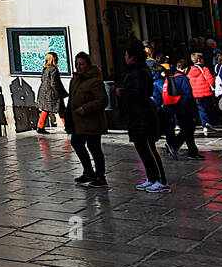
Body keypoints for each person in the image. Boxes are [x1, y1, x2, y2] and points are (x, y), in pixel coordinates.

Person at [116, 41, 169, 192]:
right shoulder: (135, 71)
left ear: (133, 57)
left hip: (142, 115)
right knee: (142, 148)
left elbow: (139, 93)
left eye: (126, 55)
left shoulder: (139, 72)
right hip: (136, 114)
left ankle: (161, 179)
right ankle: (152, 177)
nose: (125, 58)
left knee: (149, 147)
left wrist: (122, 92)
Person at [65, 51, 108, 187]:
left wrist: (86, 108)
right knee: (77, 143)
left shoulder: (94, 81)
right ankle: (88, 171)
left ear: (88, 65)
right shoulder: (75, 79)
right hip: (77, 122)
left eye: (81, 64)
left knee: (94, 147)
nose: (78, 67)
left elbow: (102, 100)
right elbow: (71, 99)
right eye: (77, 64)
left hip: (91, 121)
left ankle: (100, 176)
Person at [164, 60, 201, 159]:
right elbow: (188, 94)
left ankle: (192, 151)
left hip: (174, 106)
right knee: (188, 128)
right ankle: (174, 145)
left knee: (187, 128)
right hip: (185, 107)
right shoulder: (183, 78)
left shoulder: (171, 77)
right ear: (186, 69)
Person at [151, 55, 177, 154]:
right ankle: (171, 145)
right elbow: (165, 93)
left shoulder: (151, 80)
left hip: (156, 107)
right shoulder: (160, 82)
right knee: (169, 127)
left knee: (160, 126)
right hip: (163, 107)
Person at [36, 52, 67, 134]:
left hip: (43, 92)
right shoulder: (54, 69)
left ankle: (40, 127)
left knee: (45, 110)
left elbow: (43, 80)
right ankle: (68, 126)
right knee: (61, 109)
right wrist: (61, 92)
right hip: (52, 93)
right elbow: (55, 83)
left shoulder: (45, 69)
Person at [186, 53, 216, 131]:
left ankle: (205, 123)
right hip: (206, 92)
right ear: (199, 60)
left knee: (201, 109)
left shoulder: (189, 70)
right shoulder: (204, 69)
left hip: (195, 93)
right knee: (209, 107)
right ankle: (208, 123)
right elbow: (211, 80)